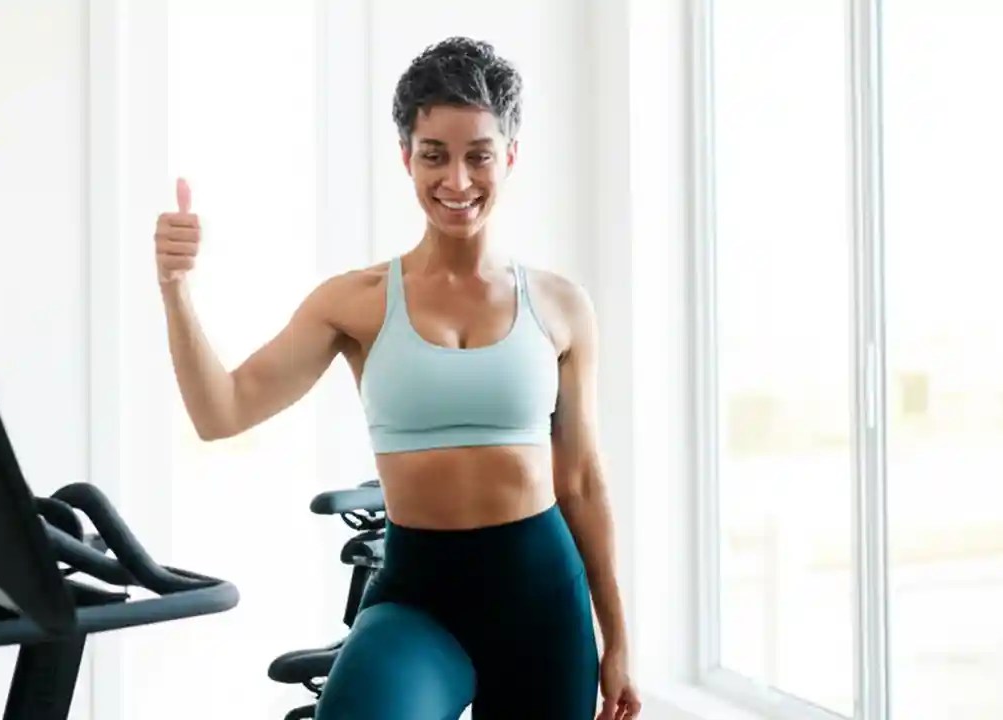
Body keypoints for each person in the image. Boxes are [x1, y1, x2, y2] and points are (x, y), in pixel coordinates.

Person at [152, 36, 641, 720]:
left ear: (510, 155)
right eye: (435, 156)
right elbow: (221, 412)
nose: (458, 181)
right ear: (407, 156)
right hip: (419, 596)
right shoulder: (354, 302)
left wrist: (618, 638)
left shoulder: (562, 306)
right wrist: (176, 290)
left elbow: (583, 480)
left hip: (542, 599)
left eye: (479, 155)